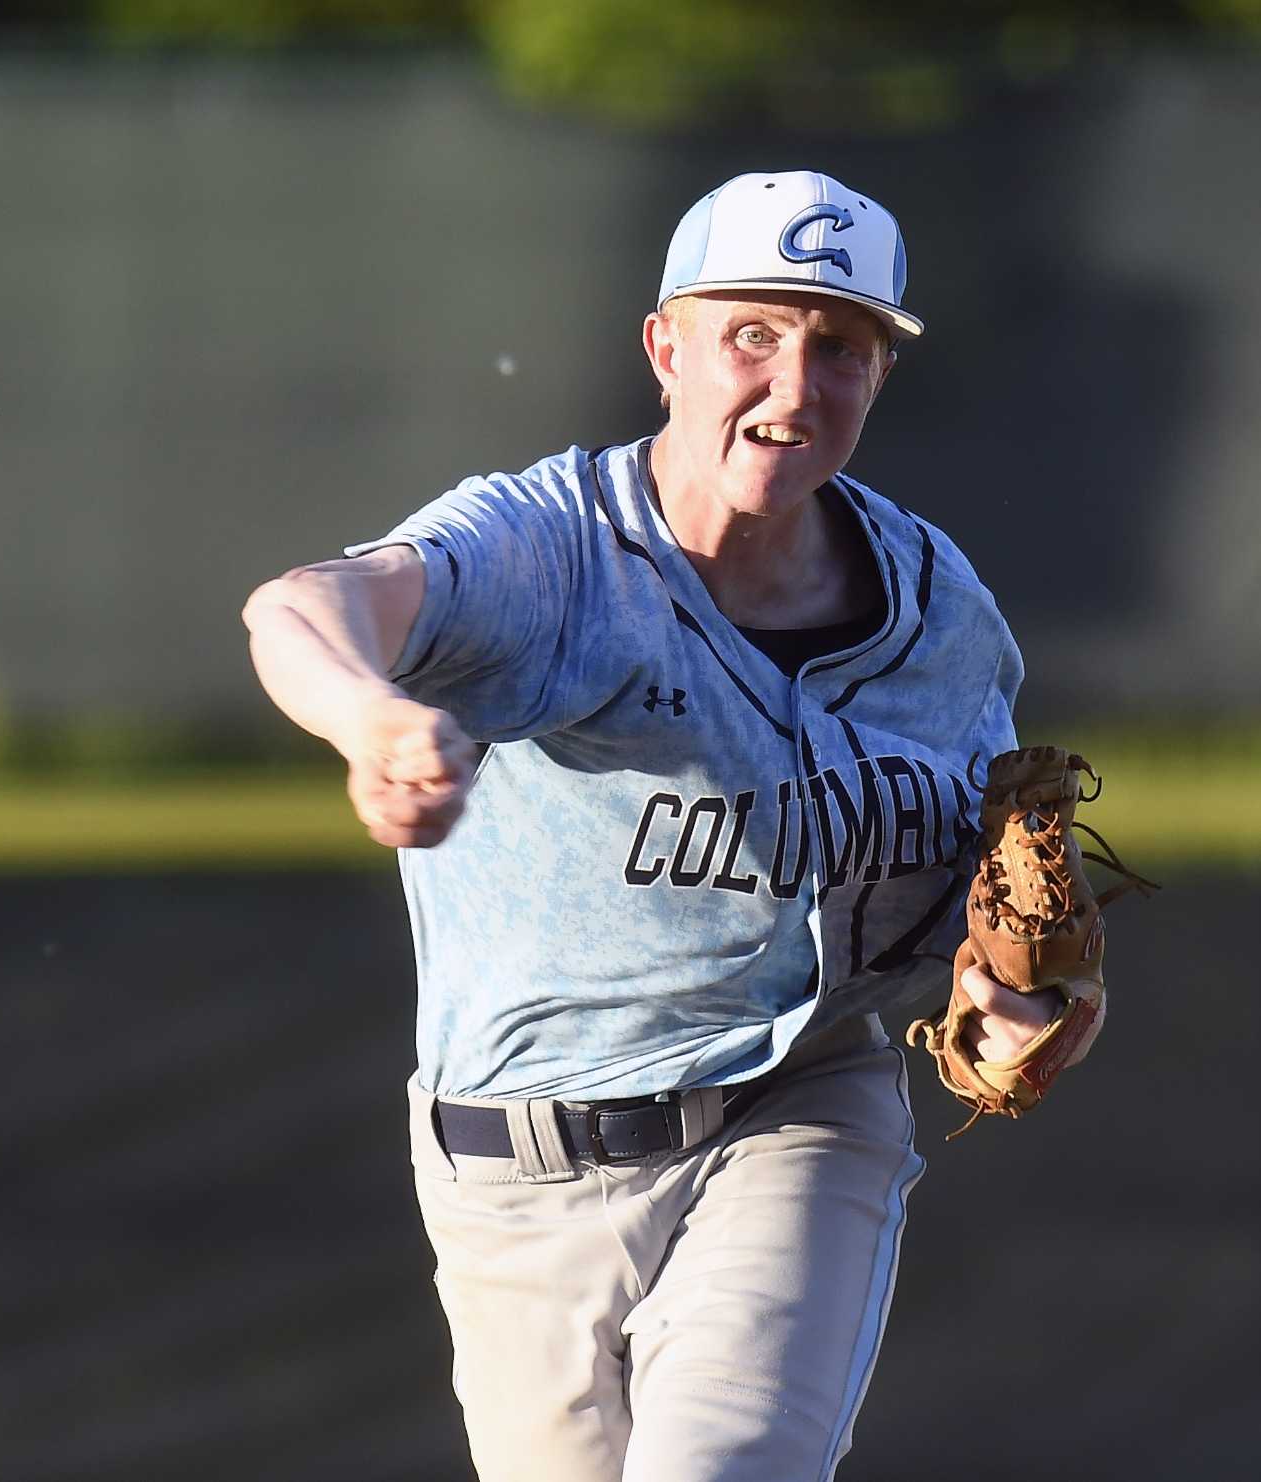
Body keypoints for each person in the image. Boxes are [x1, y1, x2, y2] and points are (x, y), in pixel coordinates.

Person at [241, 169, 1106, 1482]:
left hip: (791, 1111)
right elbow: (302, 607)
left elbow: (990, 861)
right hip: (511, 1170)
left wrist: (1022, 992)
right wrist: (369, 717)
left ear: (880, 372)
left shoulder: (936, 607)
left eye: (842, 346)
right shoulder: (554, 552)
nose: (794, 385)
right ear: (666, 349)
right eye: (752, 332)